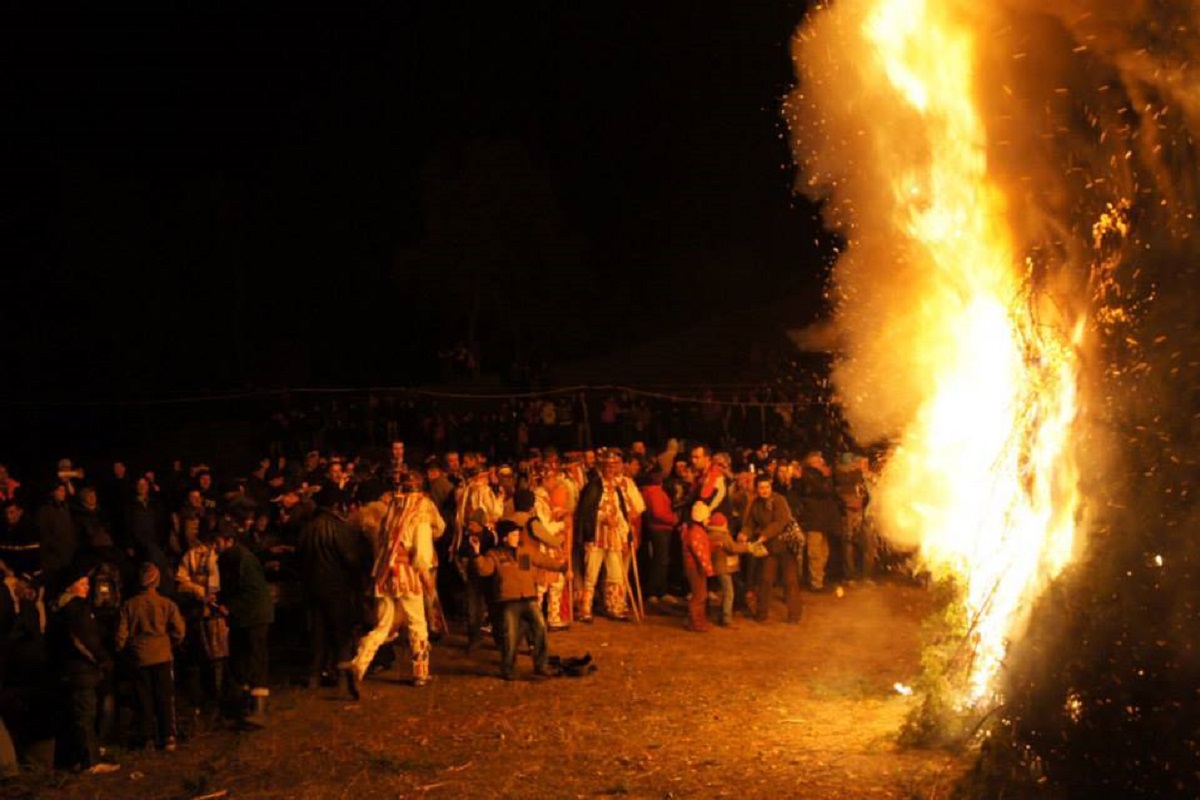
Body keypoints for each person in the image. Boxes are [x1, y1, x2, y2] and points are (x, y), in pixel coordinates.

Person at [342, 475, 442, 688]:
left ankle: (359, 664)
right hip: (407, 575)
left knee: (383, 624)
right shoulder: (420, 514)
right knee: (417, 623)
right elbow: (422, 553)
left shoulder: (393, 510)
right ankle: (420, 672)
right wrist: (427, 581)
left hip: (385, 573)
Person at [470, 519, 566, 680]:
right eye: (514, 534)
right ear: (505, 538)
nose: (517, 536)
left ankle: (541, 665)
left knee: (540, 629)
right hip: (508, 601)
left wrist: (562, 567)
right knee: (510, 636)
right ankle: (507, 668)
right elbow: (484, 569)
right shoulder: (494, 555)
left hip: (528, 598)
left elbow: (542, 560)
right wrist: (476, 553)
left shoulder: (524, 552)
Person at [47, 565, 120, 774]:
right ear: (71, 586)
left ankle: (78, 758)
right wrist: (102, 659)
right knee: (85, 714)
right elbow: (85, 640)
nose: (87, 587)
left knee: (78, 714)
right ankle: (91, 761)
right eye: (83, 583)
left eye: (88, 583)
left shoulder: (59, 607)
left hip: (70, 670)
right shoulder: (76, 609)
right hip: (81, 670)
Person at [297, 495, 365, 698]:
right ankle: (343, 679)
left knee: (317, 633)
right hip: (337, 588)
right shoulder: (338, 528)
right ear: (336, 506)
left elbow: (299, 556)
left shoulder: (307, 529)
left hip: (312, 588)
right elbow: (351, 558)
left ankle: (314, 676)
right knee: (340, 633)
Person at [114, 563, 185, 751]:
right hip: (162, 655)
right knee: (164, 697)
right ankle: (168, 736)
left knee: (143, 699)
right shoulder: (167, 604)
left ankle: (148, 738)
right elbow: (179, 630)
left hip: (140, 657)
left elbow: (121, 635)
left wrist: (123, 650)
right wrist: (170, 643)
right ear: (157, 581)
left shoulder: (129, 605)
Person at [214, 523, 275, 728]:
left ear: (229, 541)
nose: (215, 546)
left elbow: (252, 591)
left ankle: (258, 709)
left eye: (218, 542)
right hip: (243, 617)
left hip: (255, 616)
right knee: (241, 662)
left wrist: (229, 607)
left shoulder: (243, 560)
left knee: (256, 660)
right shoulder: (227, 560)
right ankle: (245, 707)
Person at [575, 449, 644, 622]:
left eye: (614, 466)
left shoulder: (618, 489)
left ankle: (614, 606)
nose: (611, 469)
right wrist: (602, 517)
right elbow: (586, 511)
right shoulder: (593, 486)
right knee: (591, 573)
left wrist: (626, 532)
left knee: (616, 573)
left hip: (614, 538)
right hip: (597, 537)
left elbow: (622, 513)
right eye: (608, 466)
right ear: (602, 467)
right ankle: (585, 609)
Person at [744, 473, 803, 622]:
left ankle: (794, 614)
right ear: (756, 488)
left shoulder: (779, 500)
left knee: (790, 581)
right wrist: (744, 533)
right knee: (765, 579)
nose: (764, 490)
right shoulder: (756, 503)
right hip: (769, 547)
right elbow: (750, 522)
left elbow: (781, 521)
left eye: (766, 487)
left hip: (784, 546)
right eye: (761, 487)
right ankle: (761, 613)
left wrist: (764, 535)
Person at [797, 452, 842, 591]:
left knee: (824, 552)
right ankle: (815, 582)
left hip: (822, 520)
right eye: (818, 461)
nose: (821, 462)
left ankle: (819, 579)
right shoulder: (809, 475)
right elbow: (824, 490)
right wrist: (826, 476)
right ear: (811, 463)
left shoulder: (819, 476)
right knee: (815, 552)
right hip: (813, 520)